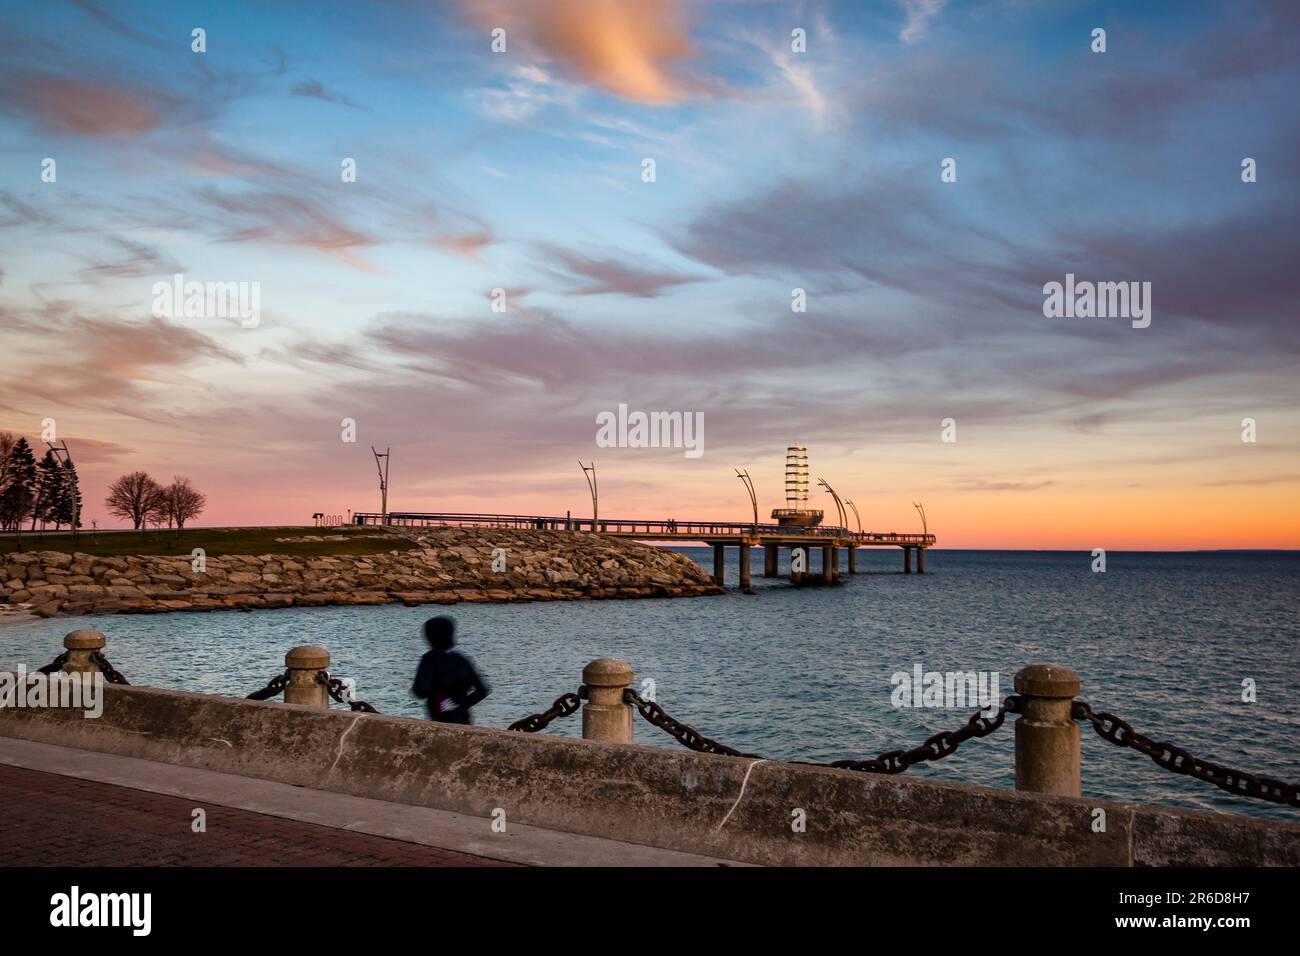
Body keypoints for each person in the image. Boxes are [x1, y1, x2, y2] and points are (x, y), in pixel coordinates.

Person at [412, 616, 490, 724]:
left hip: (440, 719)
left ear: (429, 637)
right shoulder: (461, 659)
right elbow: (483, 690)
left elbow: (420, 690)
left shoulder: (429, 658)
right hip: (464, 720)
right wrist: (461, 705)